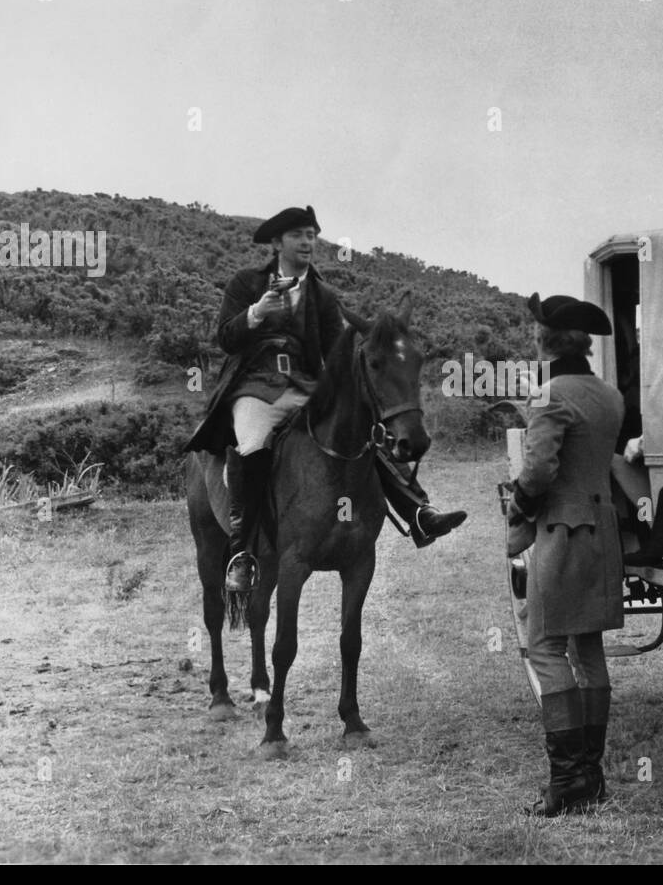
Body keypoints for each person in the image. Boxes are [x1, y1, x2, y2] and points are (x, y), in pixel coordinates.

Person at [185, 205, 466, 591]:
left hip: (305, 387)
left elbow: (336, 352)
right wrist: (256, 312)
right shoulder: (245, 282)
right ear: (277, 242)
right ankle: (242, 553)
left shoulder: (322, 293)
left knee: (360, 435)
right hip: (255, 386)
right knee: (250, 445)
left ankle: (418, 512)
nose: (307, 242)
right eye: (299, 235)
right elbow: (225, 339)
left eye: (312, 235)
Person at [506, 293, 624, 816]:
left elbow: (537, 474)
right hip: (603, 534)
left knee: (546, 647)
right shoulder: (609, 395)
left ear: (545, 340)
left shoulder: (549, 396)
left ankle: (568, 779)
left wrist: (518, 507)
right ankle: (591, 775)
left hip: (561, 532)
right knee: (589, 650)